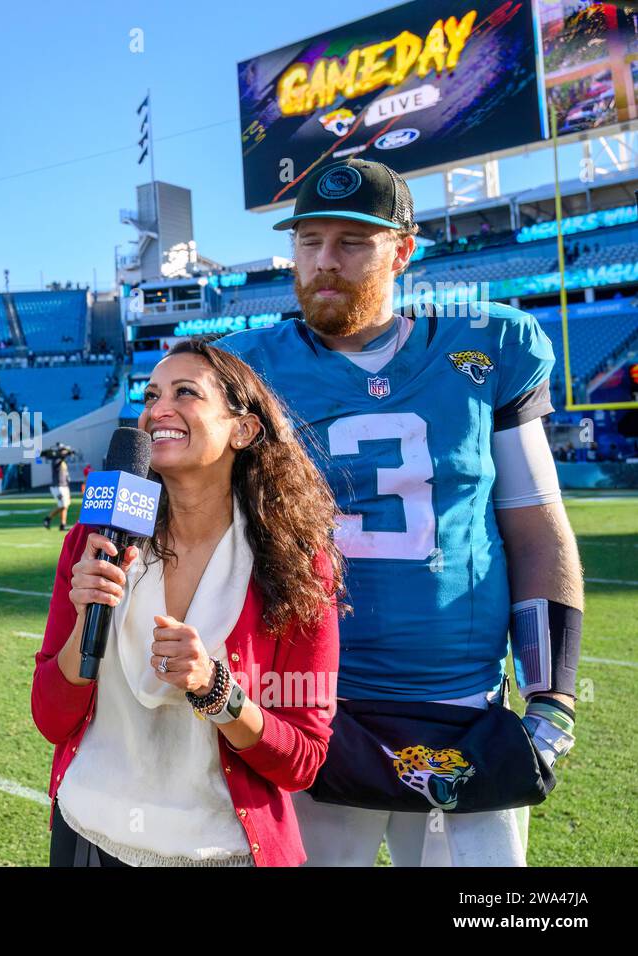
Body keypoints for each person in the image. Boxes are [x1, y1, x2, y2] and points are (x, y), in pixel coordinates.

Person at [218, 158, 583, 867]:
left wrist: (551, 696)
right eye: (310, 240)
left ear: (403, 250)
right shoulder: (241, 370)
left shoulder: (487, 348)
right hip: (303, 710)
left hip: (462, 710)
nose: (326, 262)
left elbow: (535, 528)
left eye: (352, 242)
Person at [32, 341, 341, 867]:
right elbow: (50, 717)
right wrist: (86, 621)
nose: (158, 409)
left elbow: (303, 760)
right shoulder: (94, 538)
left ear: (242, 429)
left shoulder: (296, 564)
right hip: (89, 836)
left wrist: (217, 691)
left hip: (219, 851)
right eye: (151, 395)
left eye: (186, 393)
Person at [44, 453, 70, 531]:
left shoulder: (63, 461)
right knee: (63, 505)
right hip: (58, 487)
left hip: (65, 486)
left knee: (65, 506)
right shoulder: (56, 460)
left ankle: (63, 525)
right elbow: (56, 465)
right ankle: (48, 518)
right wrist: (62, 457)